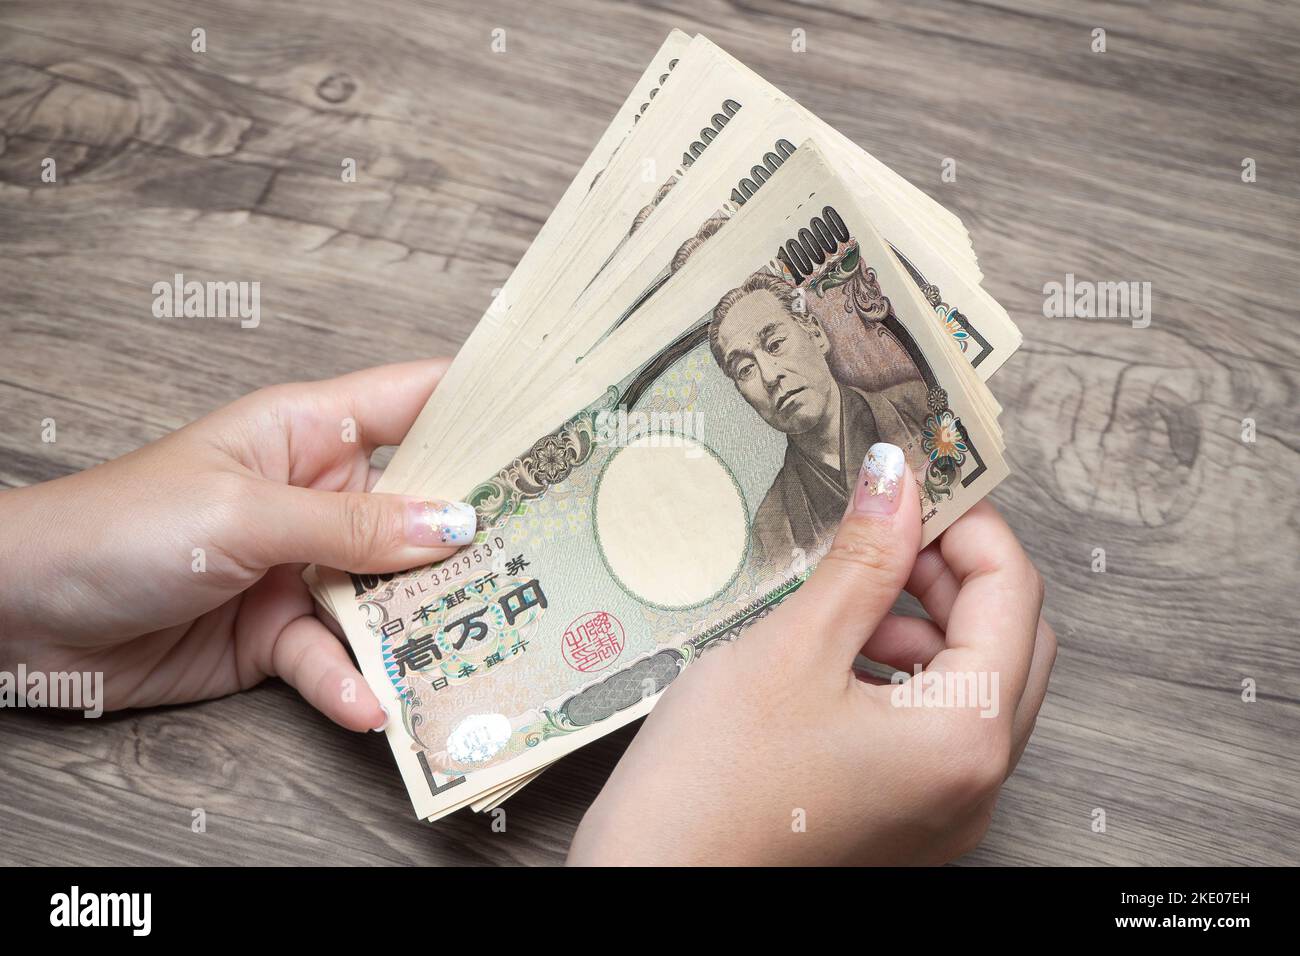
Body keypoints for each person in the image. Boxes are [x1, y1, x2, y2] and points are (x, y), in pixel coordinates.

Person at [0, 360, 1054, 865]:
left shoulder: (786, 505)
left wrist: (24, 581)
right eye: (740, 362)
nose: (767, 374)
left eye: (777, 344)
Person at [708, 271, 930, 569]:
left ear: (816, 334)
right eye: (746, 369)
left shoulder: (920, 407)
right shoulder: (768, 533)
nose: (770, 375)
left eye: (774, 345)